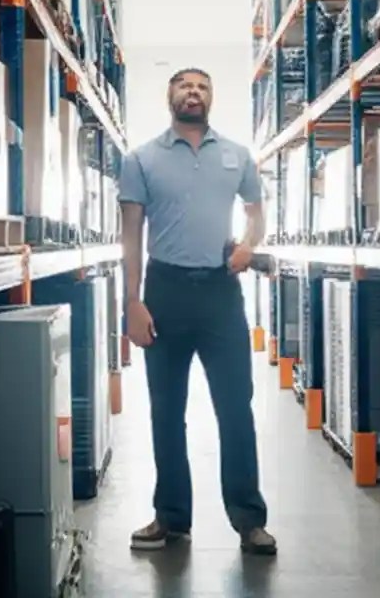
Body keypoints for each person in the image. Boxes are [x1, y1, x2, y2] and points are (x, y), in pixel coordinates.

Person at [118, 67, 276, 556]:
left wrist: (249, 245)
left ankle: (250, 521)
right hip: (164, 291)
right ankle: (171, 519)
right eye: (185, 85)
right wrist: (132, 301)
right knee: (166, 411)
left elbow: (256, 212)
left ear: (212, 97)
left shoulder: (236, 156)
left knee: (235, 408)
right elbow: (130, 236)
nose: (194, 92)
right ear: (169, 96)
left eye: (203, 86)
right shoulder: (141, 159)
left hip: (220, 293)